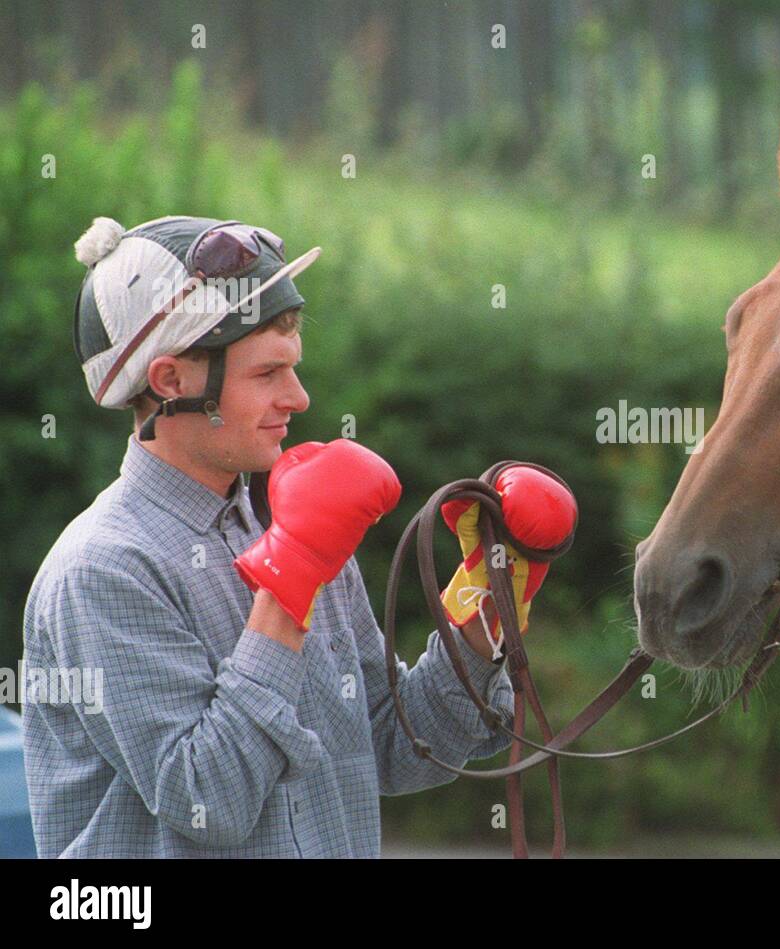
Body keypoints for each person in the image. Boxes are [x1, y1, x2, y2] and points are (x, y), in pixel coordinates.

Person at [21, 215, 575, 857]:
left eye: (293, 369)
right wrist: (288, 580)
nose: (300, 397)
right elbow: (208, 803)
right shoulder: (104, 569)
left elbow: (397, 748)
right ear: (172, 382)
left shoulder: (297, 526)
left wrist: (488, 598)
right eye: (267, 374)